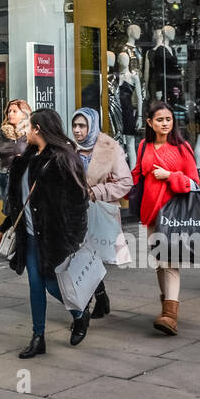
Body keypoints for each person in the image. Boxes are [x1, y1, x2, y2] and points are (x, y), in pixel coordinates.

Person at [0, 108, 92, 358]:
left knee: (51, 284)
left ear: (38, 129)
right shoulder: (24, 160)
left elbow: (77, 203)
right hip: (28, 236)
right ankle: (38, 337)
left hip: (53, 236)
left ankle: (80, 312)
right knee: (35, 286)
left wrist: (72, 239)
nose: (24, 131)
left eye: (28, 126)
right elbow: (19, 201)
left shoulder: (62, 159)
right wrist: (7, 225)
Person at [132, 100, 200, 335]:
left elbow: (193, 183)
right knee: (160, 262)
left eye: (168, 119)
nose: (164, 124)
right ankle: (166, 309)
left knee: (169, 261)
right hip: (151, 214)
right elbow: (136, 174)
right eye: (159, 120)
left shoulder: (183, 148)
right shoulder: (143, 146)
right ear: (149, 122)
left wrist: (170, 175)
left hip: (174, 215)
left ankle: (170, 315)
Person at [75, 106, 133, 319]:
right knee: (81, 259)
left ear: (92, 126)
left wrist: (96, 191)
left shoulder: (110, 147)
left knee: (94, 258)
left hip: (100, 211)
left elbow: (126, 182)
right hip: (76, 214)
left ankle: (98, 298)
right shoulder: (71, 149)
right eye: (74, 125)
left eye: (82, 125)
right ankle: (91, 302)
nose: (77, 130)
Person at [0, 99, 31, 201]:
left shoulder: (30, 133)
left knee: (24, 206)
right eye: (9, 111)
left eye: (14, 111)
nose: (10, 114)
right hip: (5, 175)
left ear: (24, 114)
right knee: (8, 207)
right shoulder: (0, 133)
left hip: (25, 175)